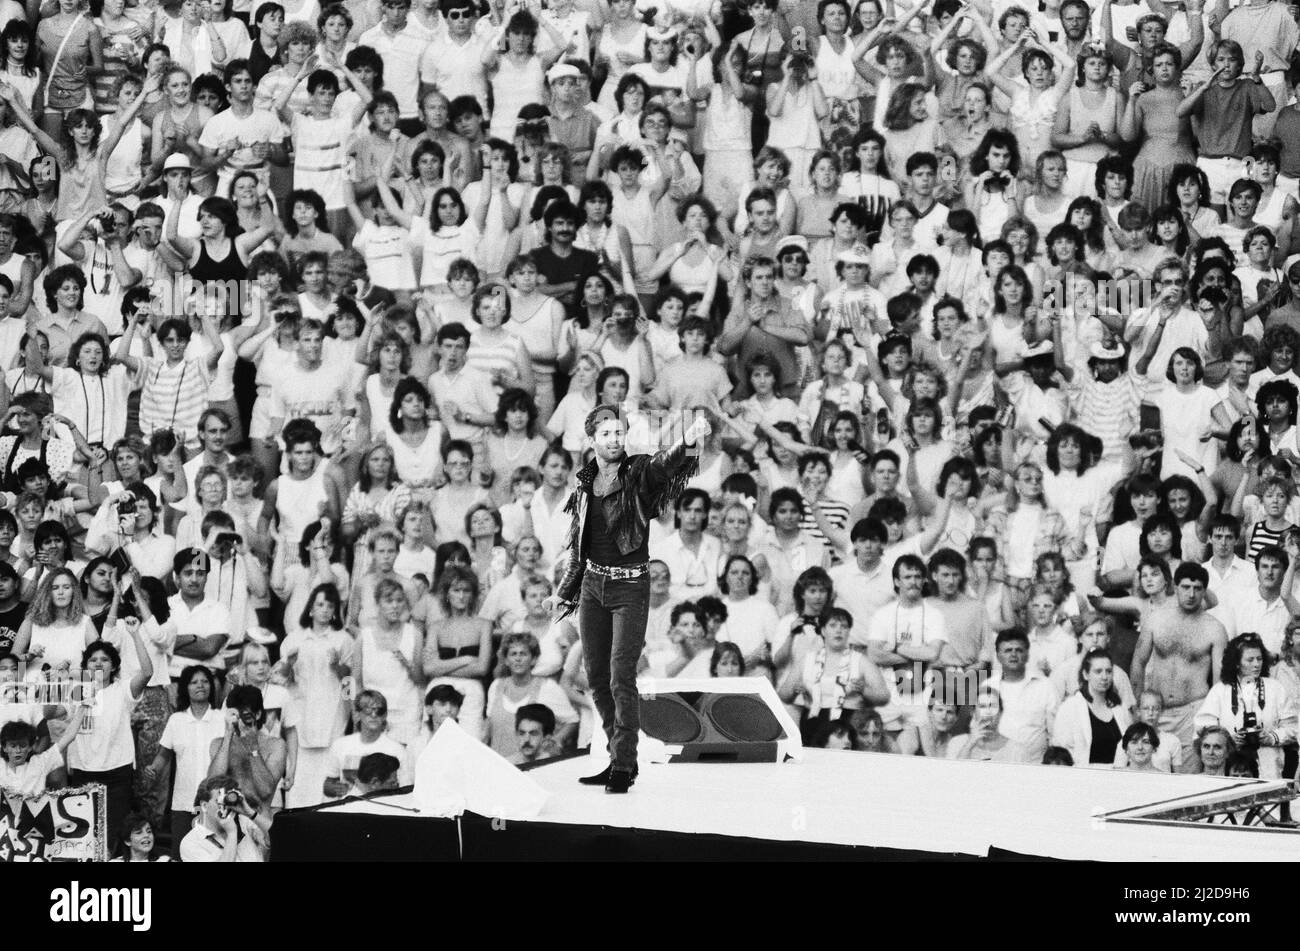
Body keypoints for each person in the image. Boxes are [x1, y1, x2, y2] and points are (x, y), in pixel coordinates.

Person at [544, 404, 710, 793]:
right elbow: (578, 551)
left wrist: (688, 440)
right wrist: (563, 592)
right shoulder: (583, 484)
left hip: (630, 586)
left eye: (619, 433)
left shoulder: (636, 472)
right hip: (592, 585)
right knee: (597, 676)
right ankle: (618, 758)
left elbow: (665, 466)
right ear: (592, 441)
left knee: (622, 675)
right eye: (606, 434)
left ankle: (624, 765)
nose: (615, 439)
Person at [1130, 562, 1227, 759]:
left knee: (1188, 778)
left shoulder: (1215, 629)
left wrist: (1213, 717)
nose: (1191, 594)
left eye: (1197, 588)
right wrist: (1137, 705)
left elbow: (1219, 683)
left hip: (1192, 712)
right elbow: (1138, 662)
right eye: (1186, 587)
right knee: (1150, 772)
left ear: (1204, 591)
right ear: (1175, 587)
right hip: (1154, 711)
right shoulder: (1155, 619)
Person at [179, 774, 271, 862]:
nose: (225, 807)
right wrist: (231, 833)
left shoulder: (244, 821)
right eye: (219, 801)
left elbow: (275, 838)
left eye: (226, 801)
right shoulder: (191, 842)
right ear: (204, 805)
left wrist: (250, 813)